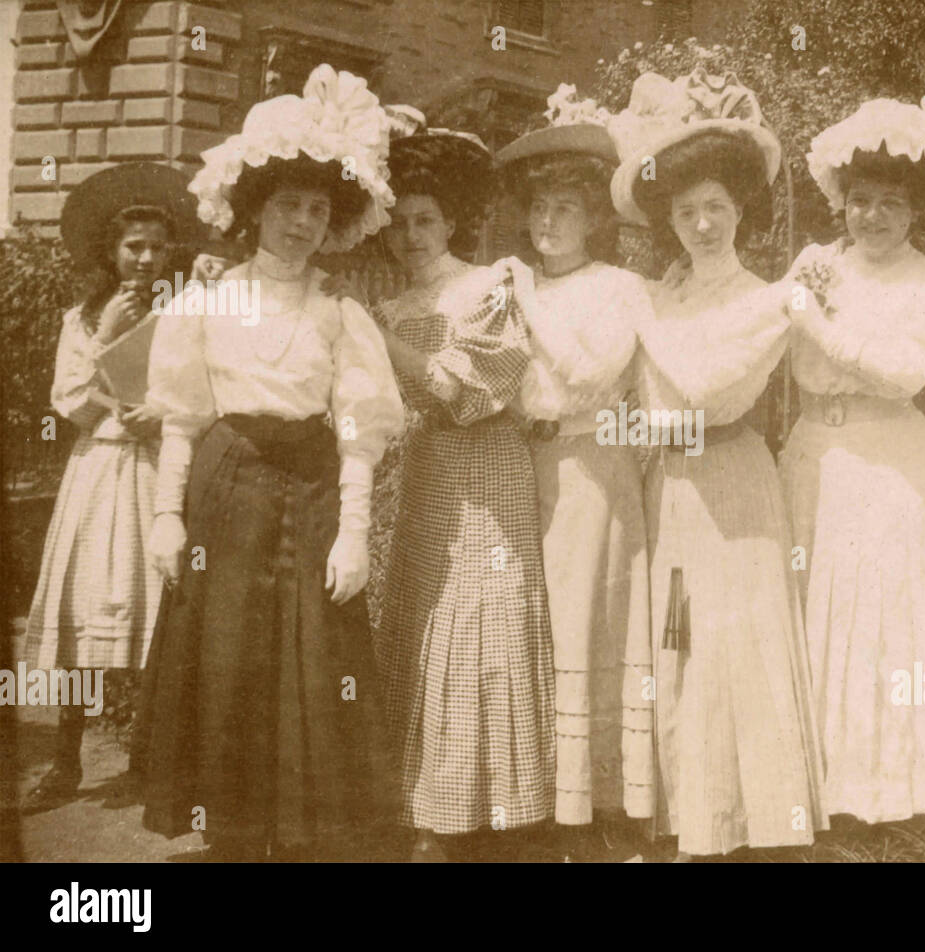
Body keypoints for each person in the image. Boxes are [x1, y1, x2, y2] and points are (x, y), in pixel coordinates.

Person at [134, 65, 404, 860]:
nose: (303, 222)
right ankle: (233, 829)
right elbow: (181, 419)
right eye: (289, 205)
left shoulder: (339, 314)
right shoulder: (204, 302)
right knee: (226, 654)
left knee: (315, 656)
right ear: (256, 208)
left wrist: (354, 532)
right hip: (227, 489)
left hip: (315, 488)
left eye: (319, 209)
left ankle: (307, 830)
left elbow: (359, 429)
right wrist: (165, 515)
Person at [607, 68, 825, 860]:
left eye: (718, 210)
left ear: (743, 214)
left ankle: (762, 820)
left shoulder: (765, 299)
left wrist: (647, 328)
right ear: (670, 218)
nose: (703, 225)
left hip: (732, 479)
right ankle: (694, 815)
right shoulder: (662, 295)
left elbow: (707, 395)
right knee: (683, 642)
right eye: (688, 211)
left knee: (738, 641)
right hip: (672, 487)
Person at [779, 97, 925, 825]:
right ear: (841, 201)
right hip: (815, 456)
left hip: (894, 463)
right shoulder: (815, 265)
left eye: (892, 204)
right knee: (816, 606)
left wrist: (822, 329)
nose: (871, 217)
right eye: (860, 200)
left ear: (920, 211)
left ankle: (897, 791)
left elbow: (904, 375)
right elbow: (780, 345)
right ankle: (815, 784)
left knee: (886, 613)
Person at [365, 116, 555, 862]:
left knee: (486, 617)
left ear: (452, 222)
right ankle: (431, 803)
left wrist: (382, 343)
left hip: (490, 466)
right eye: (402, 223)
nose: (414, 235)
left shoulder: (488, 285)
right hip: (428, 472)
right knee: (427, 615)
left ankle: (504, 805)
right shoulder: (385, 309)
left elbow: (465, 395)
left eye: (427, 220)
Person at [496, 86, 655, 859]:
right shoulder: (511, 287)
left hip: (594, 465)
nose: (547, 222)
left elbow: (593, 380)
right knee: (531, 621)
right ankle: (534, 792)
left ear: (596, 219)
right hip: (526, 462)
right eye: (539, 209)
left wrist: (526, 304)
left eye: (564, 208)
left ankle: (602, 803)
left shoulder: (619, 288)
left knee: (592, 616)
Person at [22, 163, 199, 812]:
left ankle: (146, 761)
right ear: (111, 252)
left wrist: (169, 409)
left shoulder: (187, 311)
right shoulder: (83, 317)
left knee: (157, 615)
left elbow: (204, 390)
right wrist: (107, 337)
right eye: (133, 247)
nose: (146, 259)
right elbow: (71, 401)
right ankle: (64, 760)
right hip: (100, 471)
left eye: (156, 247)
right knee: (85, 613)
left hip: (160, 470)